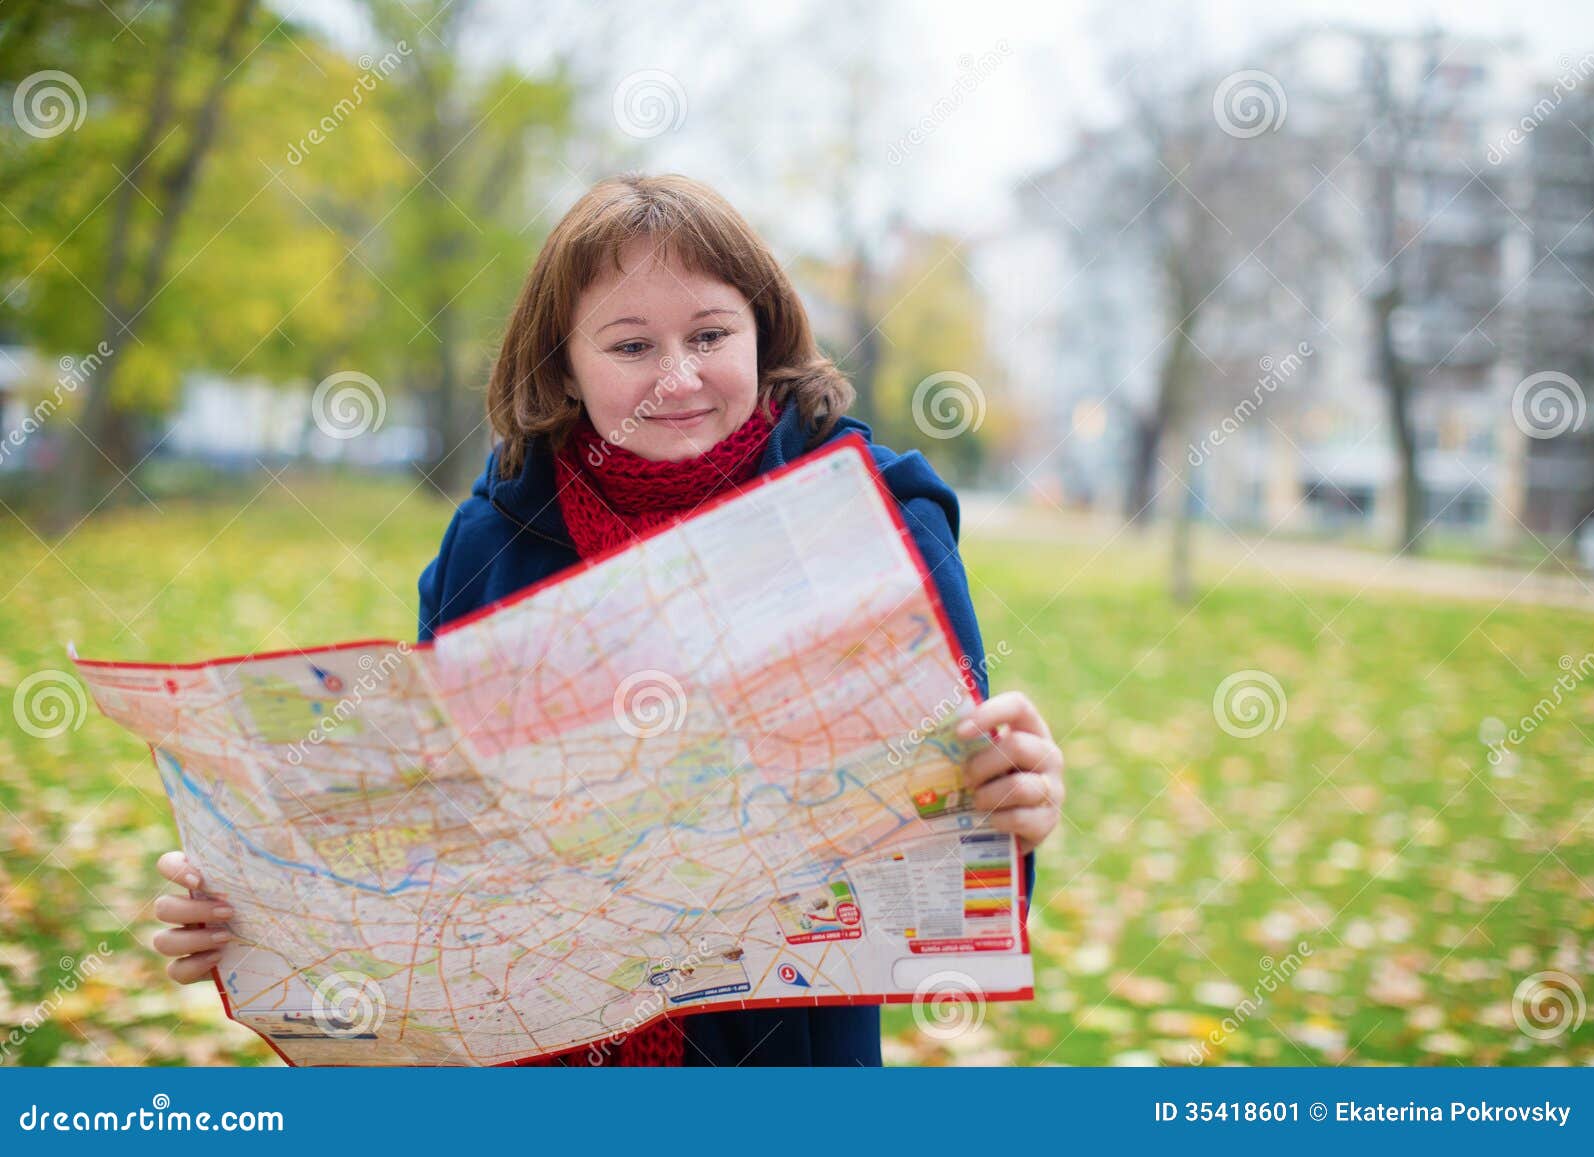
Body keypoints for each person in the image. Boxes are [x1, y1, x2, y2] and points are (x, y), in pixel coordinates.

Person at [153, 173, 1065, 1066]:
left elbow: (955, 859)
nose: (678, 376)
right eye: (630, 346)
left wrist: (1013, 808)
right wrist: (257, 919)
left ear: (764, 333)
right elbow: (434, 860)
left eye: (711, 333)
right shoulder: (486, 546)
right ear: (565, 365)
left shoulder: (877, 520)